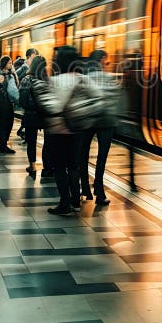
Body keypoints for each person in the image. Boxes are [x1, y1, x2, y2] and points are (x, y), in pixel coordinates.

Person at [33, 46, 89, 216]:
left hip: (58, 129)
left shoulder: (54, 81)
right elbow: (95, 100)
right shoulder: (83, 79)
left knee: (59, 167)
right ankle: (76, 202)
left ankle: (65, 203)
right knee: (74, 166)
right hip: (78, 129)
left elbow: (50, 105)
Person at [79, 50, 120, 206]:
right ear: (102, 60)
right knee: (101, 158)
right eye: (106, 61)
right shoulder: (110, 79)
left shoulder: (84, 79)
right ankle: (99, 190)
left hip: (88, 121)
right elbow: (115, 100)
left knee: (83, 154)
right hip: (107, 121)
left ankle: (84, 187)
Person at [19, 55, 48, 177]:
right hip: (45, 115)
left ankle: (32, 165)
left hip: (31, 115)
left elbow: (22, 100)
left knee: (31, 142)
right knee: (48, 142)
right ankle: (47, 166)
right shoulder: (47, 80)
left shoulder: (26, 80)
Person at [0, 56, 19, 154]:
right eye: (9, 63)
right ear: (4, 64)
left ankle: (2, 145)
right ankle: (3, 146)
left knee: (0, 125)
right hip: (6, 103)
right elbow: (13, 91)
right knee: (7, 124)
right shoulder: (8, 75)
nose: (11, 64)